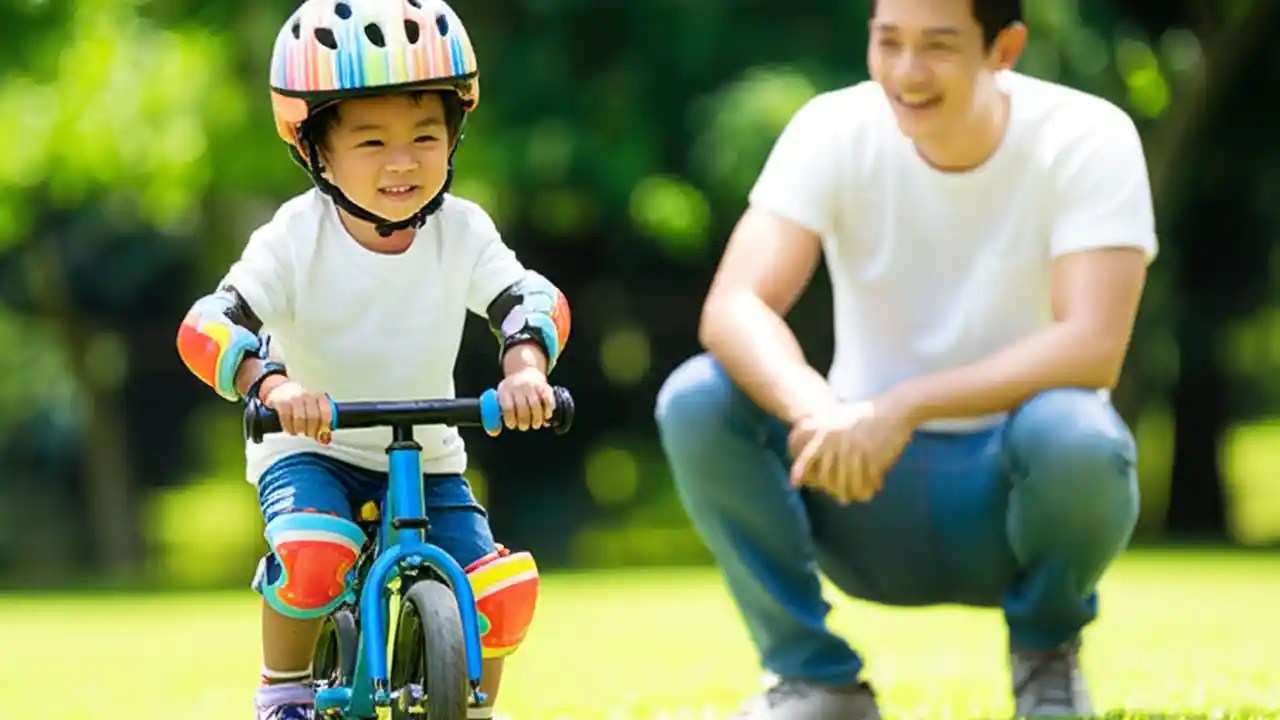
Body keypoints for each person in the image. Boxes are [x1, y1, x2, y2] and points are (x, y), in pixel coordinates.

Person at [653, 0, 1155, 717]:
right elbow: (733, 305)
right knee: (698, 397)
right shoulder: (833, 128)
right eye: (888, 42)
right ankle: (815, 679)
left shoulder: (1087, 136)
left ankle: (1047, 664)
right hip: (858, 490)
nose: (907, 73)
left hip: (1011, 495)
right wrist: (817, 409)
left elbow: (1092, 346)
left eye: (939, 46)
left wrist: (904, 405)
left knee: (1079, 433)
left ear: (1003, 48)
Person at [174, 1, 571, 718]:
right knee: (314, 554)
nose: (401, 161)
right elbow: (207, 326)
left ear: (455, 137)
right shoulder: (295, 237)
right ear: (315, 150)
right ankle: (284, 693)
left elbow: (531, 300)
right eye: (370, 142)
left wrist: (524, 368)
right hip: (311, 446)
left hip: (429, 452)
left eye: (425, 135)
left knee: (497, 592)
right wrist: (271, 383)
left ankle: (471, 705)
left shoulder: (462, 230)